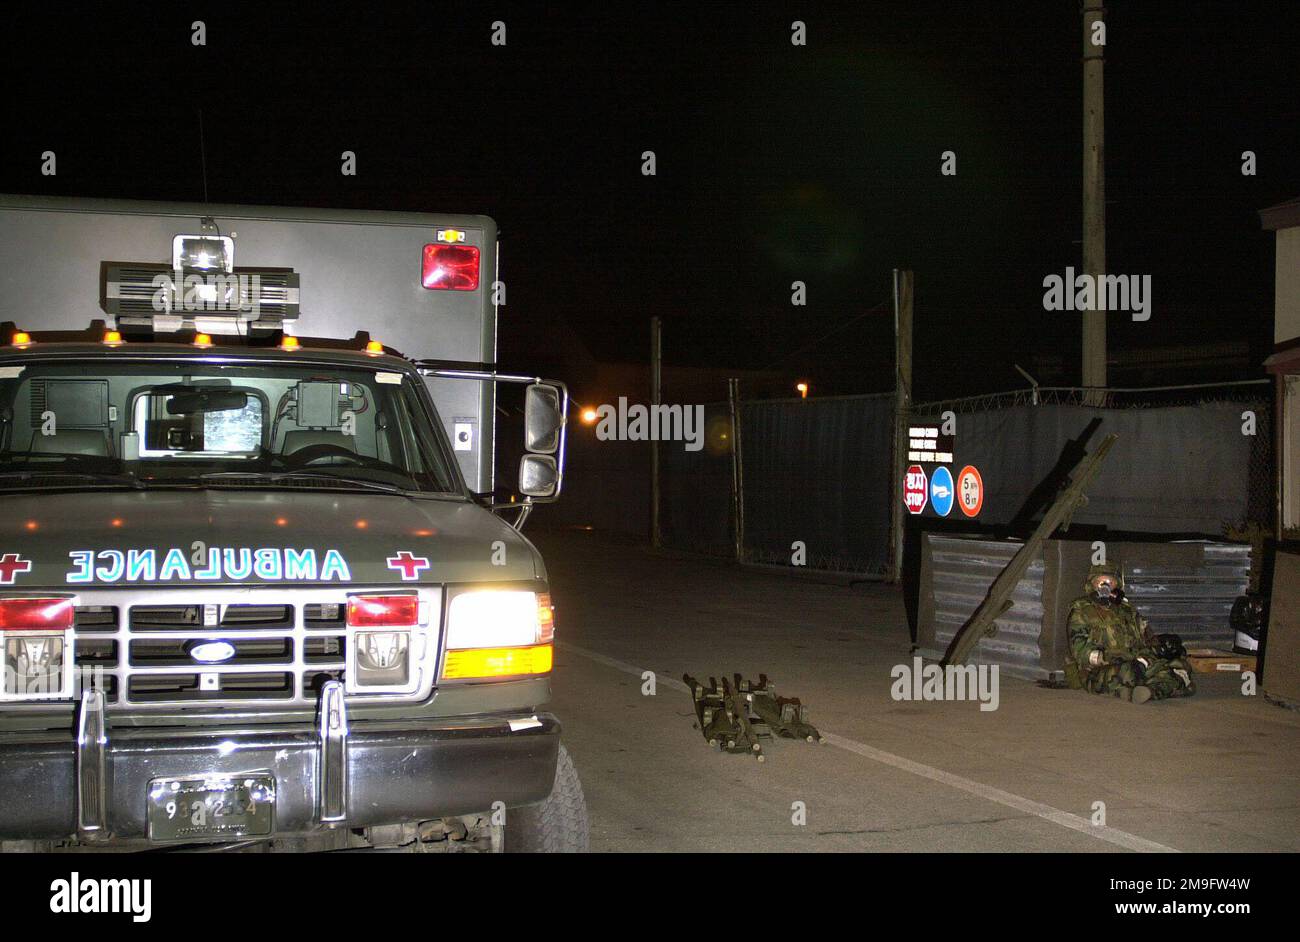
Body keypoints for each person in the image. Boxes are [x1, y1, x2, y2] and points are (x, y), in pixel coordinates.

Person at [1066, 562, 1195, 703]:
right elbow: (1080, 652)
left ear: (1117, 584)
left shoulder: (1127, 610)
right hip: (1100, 671)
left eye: (1110, 581)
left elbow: (1145, 639)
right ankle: (1166, 686)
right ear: (1092, 584)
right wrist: (1110, 656)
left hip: (1138, 661)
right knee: (1132, 671)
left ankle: (1147, 691)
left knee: (1178, 664)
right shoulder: (1081, 611)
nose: (1105, 585)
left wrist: (1161, 645)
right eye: (1100, 581)